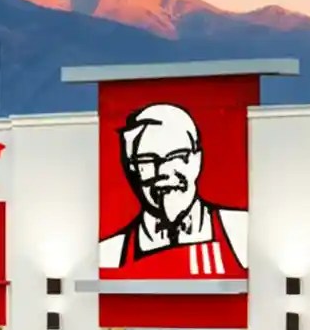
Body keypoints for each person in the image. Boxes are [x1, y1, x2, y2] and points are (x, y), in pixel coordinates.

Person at [99, 103, 247, 276]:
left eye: (176, 156)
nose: (163, 171)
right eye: (147, 160)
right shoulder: (109, 254)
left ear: (196, 160)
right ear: (133, 168)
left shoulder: (239, 230)